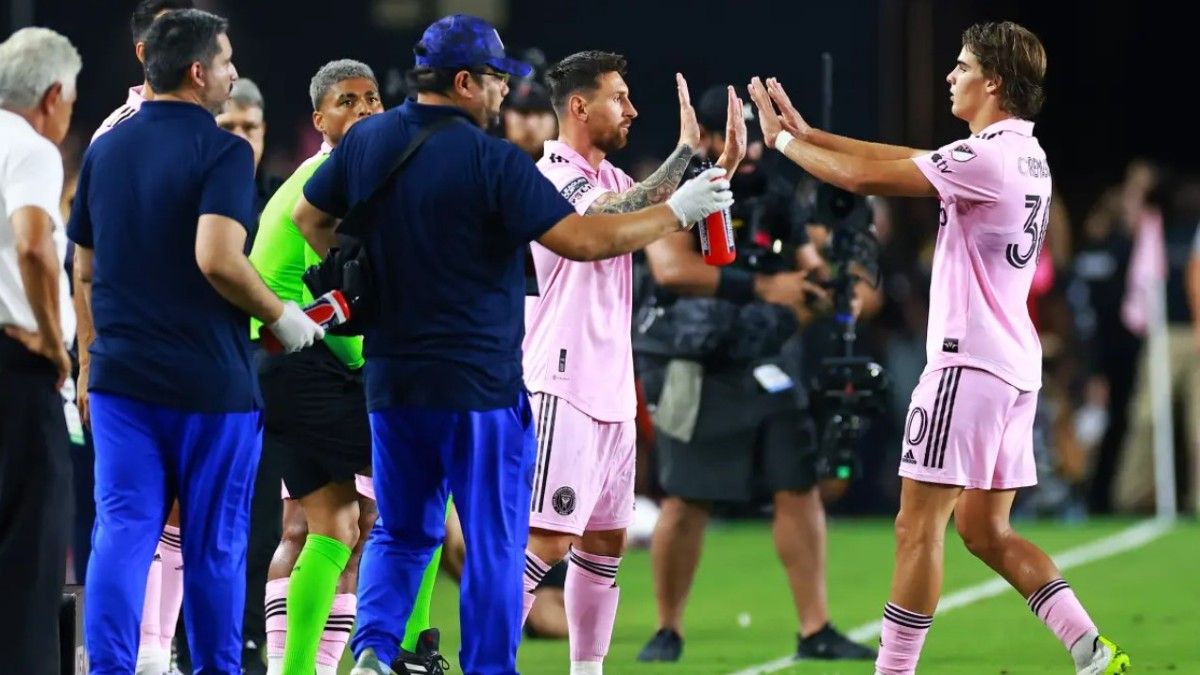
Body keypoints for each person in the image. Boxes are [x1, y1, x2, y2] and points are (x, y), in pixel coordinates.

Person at [291, 14, 731, 675]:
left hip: (393, 379)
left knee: (402, 531)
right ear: (465, 83)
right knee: (496, 544)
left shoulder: (368, 142)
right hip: (478, 385)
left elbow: (309, 216)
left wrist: (375, 276)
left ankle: (375, 651)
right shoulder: (492, 159)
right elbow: (580, 239)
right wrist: (678, 211)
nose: (505, 93)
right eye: (497, 79)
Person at [745, 20, 1130, 675]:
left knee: (916, 526)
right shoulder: (1022, 153)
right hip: (1011, 366)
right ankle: (1092, 651)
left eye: (963, 66)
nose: (951, 76)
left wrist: (780, 141)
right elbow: (897, 155)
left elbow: (862, 178)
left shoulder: (987, 160)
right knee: (985, 530)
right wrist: (808, 134)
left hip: (967, 363)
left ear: (994, 82)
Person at [69, 10, 324, 673]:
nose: (234, 73)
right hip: (207, 383)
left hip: (121, 380)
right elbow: (217, 258)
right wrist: (282, 316)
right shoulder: (224, 152)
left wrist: (89, 359)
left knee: (122, 535)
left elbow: (84, 268)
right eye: (227, 60)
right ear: (197, 71)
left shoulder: (105, 147)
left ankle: (111, 667)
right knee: (214, 545)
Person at [633, 82, 876, 664]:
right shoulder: (676, 183)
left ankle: (815, 628)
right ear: (706, 137)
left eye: (753, 136)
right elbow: (670, 269)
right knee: (687, 497)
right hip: (692, 360)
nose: (753, 152)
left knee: (798, 484)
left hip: (763, 358)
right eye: (736, 136)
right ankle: (667, 628)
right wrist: (768, 287)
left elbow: (810, 269)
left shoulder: (774, 192)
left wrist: (838, 278)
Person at [520, 51, 746, 675]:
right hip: (562, 382)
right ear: (578, 106)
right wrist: (682, 170)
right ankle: (488, 662)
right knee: (545, 542)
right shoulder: (550, 175)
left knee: (604, 543)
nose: (631, 109)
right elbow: (604, 221)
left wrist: (714, 169)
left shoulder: (611, 177)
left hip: (612, 388)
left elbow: (649, 205)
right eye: (618, 97)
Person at [250, 58, 446, 675]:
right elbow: (349, 299)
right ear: (320, 119)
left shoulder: (325, 175)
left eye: (371, 100)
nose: (363, 110)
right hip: (304, 365)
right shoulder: (336, 183)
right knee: (421, 483)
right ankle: (407, 648)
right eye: (347, 101)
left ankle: (296, 670)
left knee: (332, 526)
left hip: (277, 365)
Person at [78, 4, 196, 672]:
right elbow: (87, 260)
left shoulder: (194, 128)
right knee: (131, 513)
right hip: (134, 355)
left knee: (177, 510)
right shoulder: (118, 133)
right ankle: (124, 656)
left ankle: (154, 650)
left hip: (181, 351)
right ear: (146, 51)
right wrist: (88, 359)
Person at [0, 26, 81, 675]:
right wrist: (55, 346)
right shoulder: (29, 148)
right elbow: (32, 244)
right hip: (19, 375)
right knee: (30, 559)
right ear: (53, 96)